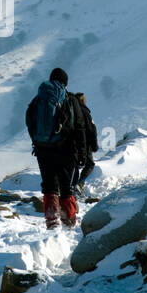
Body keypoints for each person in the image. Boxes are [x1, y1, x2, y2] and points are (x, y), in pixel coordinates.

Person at [24, 67, 80, 229]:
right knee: (66, 187)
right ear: (65, 83)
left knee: (49, 186)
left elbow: (29, 121)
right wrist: (80, 152)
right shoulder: (69, 99)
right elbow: (79, 127)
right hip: (65, 149)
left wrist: (37, 141)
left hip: (42, 149)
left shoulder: (38, 99)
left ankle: (52, 223)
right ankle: (69, 224)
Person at [69, 92, 98, 198]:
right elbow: (92, 130)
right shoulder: (85, 112)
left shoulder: (70, 111)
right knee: (90, 164)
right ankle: (79, 184)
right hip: (85, 143)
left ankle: (73, 188)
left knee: (75, 165)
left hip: (71, 143)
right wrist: (94, 145)